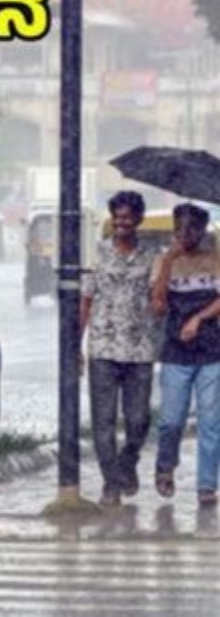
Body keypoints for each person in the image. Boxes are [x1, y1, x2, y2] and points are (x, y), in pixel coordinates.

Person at [80, 191, 160, 507]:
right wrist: (76, 344)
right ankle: (111, 484)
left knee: (139, 419)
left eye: (128, 217)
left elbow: (159, 299)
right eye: (117, 216)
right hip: (102, 347)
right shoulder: (97, 254)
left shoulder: (153, 256)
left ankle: (127, 462)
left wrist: (170, 265)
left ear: (139, 219)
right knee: (103, 421)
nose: (121, 223)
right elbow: (85, 300)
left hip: (140, 349)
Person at [151, 203, 220, 506]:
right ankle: (165, 467)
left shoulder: (216, 259)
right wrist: (169, 260)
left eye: (192, 227)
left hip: (212, 351)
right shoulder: (164, 260)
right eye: (180, 228)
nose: (186, 234)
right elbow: (157, 306)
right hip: (175, 352)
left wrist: (199, 318)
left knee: (210, 420)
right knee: (170, 420)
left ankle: (206, 485)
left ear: (203, 229)